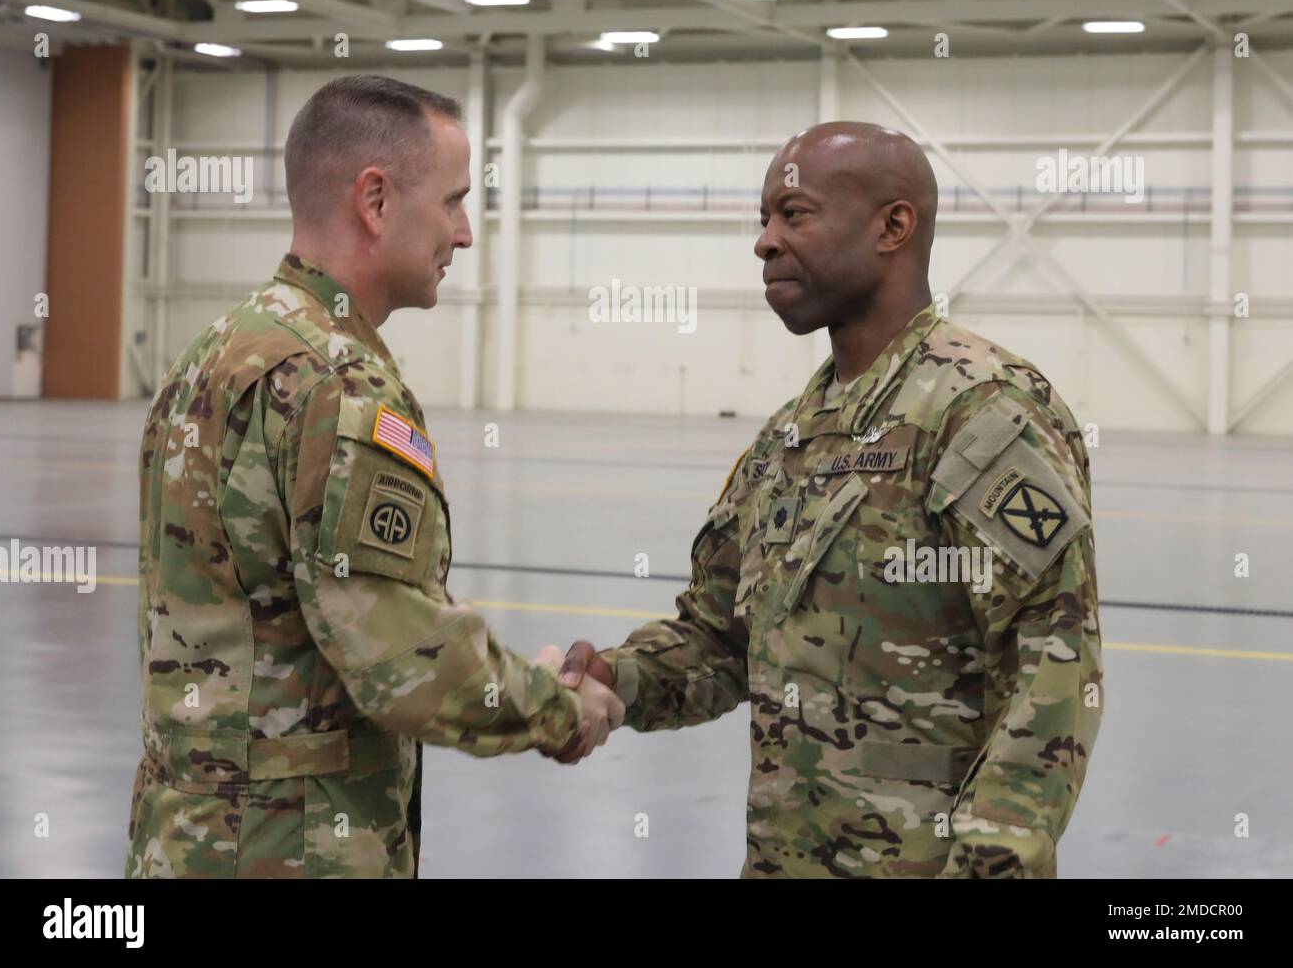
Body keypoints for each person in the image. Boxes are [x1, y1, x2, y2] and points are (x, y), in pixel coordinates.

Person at [555, 121, 1103, 878]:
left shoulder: (980, 413)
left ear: (893, 226)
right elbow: (720, 640)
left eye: (795, 214)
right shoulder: (792, 436)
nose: (766, 242)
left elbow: (1054, 668)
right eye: (764, 220)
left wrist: (993, 863)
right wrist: (619, 679)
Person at [126, 74, 622, 879]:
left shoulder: (215, 350)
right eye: (454, 202)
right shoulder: (340, 384)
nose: (463, 234)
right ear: (376, 200)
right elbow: (398, 654)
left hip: (185, 837)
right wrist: (559, 709)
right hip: (291, 847)